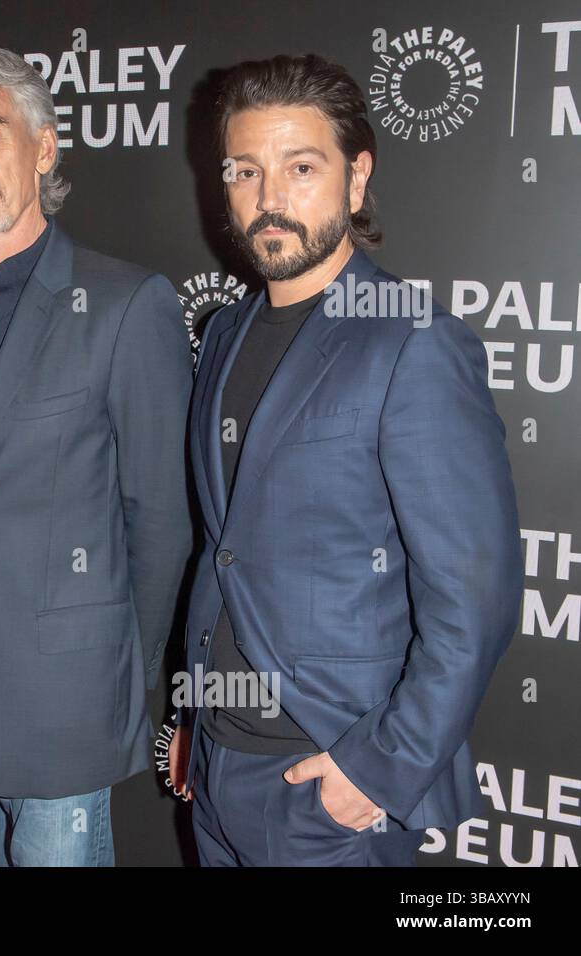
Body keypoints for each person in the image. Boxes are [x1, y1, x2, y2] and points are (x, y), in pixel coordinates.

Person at [168, 54, 522, 866]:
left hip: (326, 782)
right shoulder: (223, 334)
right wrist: (195, 716)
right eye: (245, 171)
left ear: (356, 179)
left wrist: (376, 769)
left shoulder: (412, 341)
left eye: (301, 168)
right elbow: (224, 546)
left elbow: (478, 596)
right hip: (218, 763)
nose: (269, 198)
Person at [0, 43, 193, 866]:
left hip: (61, 705)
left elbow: (161, 520)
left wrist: (117, 678)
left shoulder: (125, 304)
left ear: (44, 148)